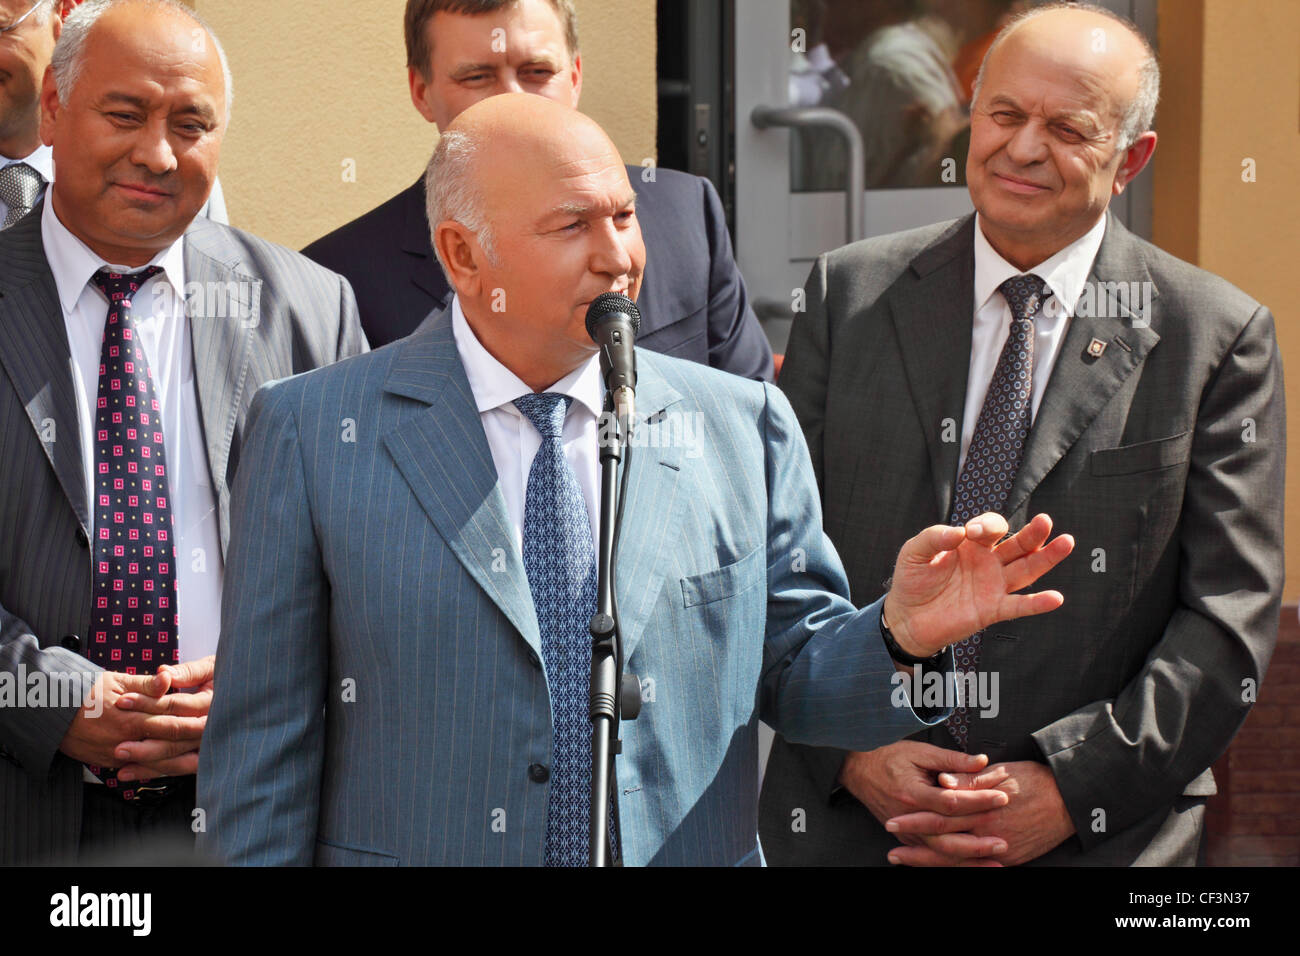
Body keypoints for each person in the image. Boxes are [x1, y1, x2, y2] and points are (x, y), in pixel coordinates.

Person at [197, 93, 1074, 867]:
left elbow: (799, 683)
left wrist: (897, 634)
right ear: (463, 257)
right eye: (573, 226)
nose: (619, 255)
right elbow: (263, 749)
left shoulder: (742, 424)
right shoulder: (313, 430)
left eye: (623, 216)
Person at [759, 1, 1285, 866]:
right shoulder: (848, 297)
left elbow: (1228, 618)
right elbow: (779, 566)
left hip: (1101, 840)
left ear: (1132, 159)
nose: (1024, 147)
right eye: (1003, 114)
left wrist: (1071, 788)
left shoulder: (1213, 337)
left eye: (1068, 127)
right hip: (855, 827)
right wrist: (849, 749)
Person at [0, 0, 367, 864]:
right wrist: (41, 697)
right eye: (124, 114)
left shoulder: (312, 310)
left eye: (190, 124)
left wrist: (259, 692)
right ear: (54, 110)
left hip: (249, 812)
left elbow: (372, 568)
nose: (157, 154)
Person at [301, 0, 773, 381]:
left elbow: (753, 440)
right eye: (477, 77)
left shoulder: (686, 217)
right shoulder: (337, 282)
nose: (513, 99)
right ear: (421, 91)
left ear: (575, 76)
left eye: (536, 72)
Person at [0, 0, 227, 233]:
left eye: (1, 26)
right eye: (125, 116)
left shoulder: (178, 183)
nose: (157, 159)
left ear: (64, 16)